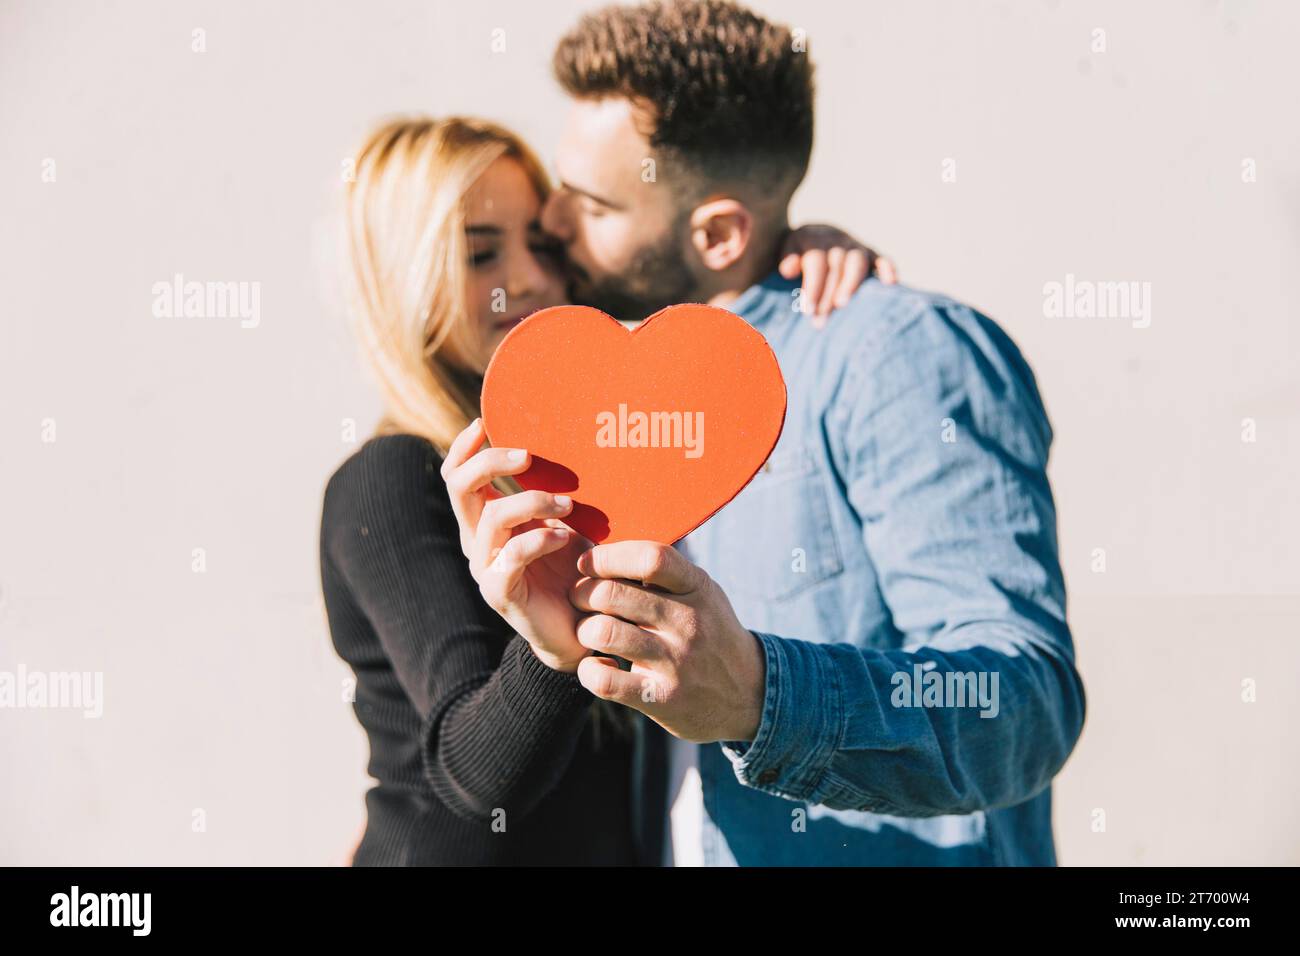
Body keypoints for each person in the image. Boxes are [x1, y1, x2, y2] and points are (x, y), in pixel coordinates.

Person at [444, 0, 1087, 866]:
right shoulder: (606, 411)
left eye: (589, 203)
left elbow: (1023, 706)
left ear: (717, 233)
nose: (552, 224)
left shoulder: (893, 355)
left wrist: (760, 695)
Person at [319, 114, 891, 864]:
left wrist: (786, 254)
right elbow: (472, 780)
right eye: (482, 253)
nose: (528, 277)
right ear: (401, 276)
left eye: (544, 246)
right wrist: (553, 653)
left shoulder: (596, 454)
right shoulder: (395, 476)